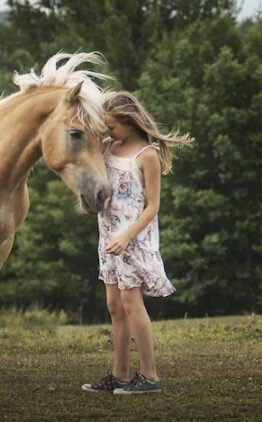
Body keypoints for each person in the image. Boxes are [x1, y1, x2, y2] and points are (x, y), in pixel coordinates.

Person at [82, 91, 192, 395]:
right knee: (114, 305)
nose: (108, 132)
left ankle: (149, 375)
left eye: (112, 127)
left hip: (133, 238)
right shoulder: (108, 147)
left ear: (129, 123)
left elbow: (153, 207)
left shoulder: (147, 155)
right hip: (108, 237)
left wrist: (127, 237)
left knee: (131, 303)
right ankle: (118, 374)